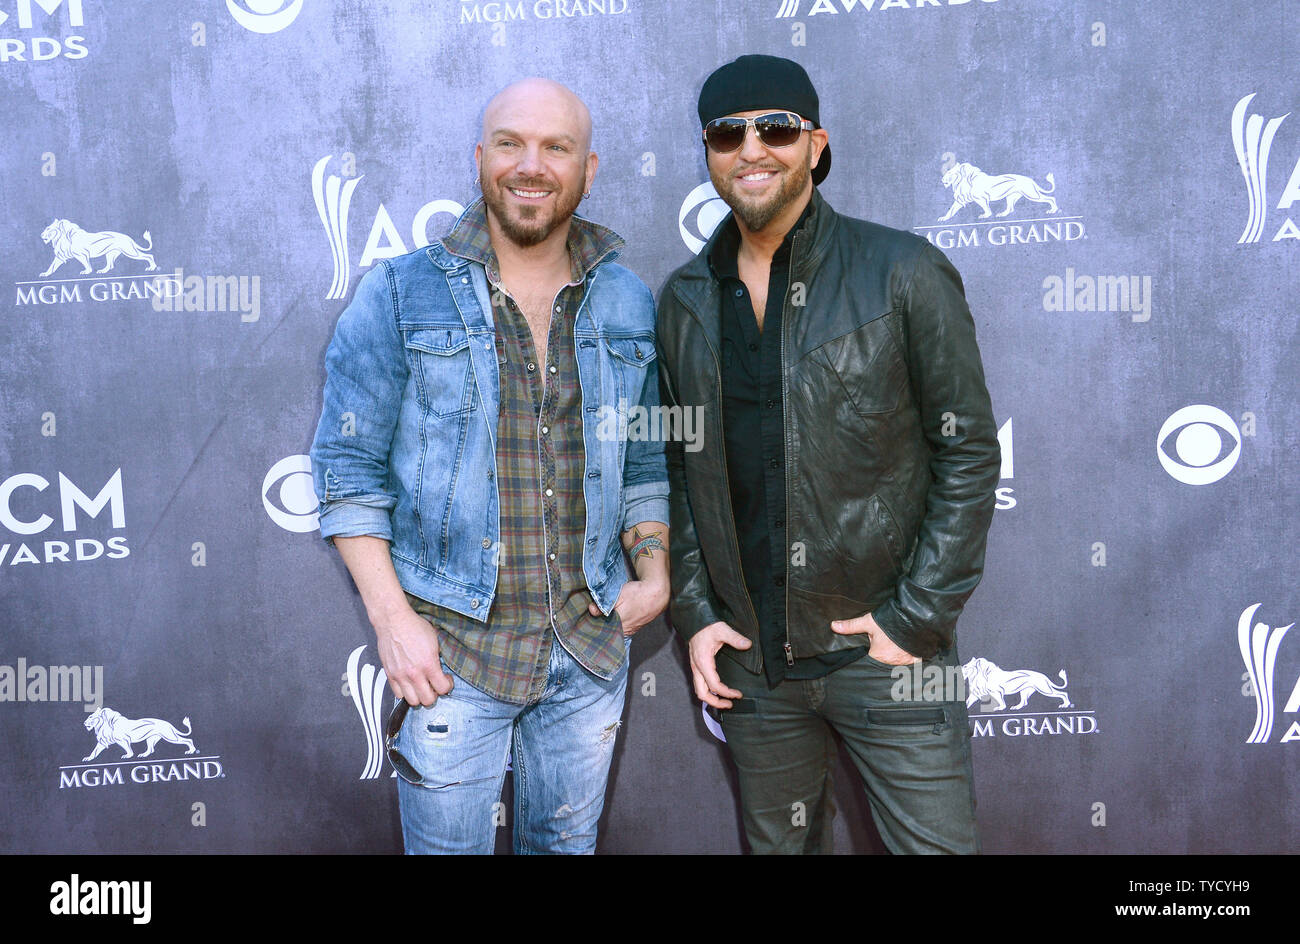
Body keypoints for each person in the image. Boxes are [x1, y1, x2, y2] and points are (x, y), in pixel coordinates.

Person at [310, 77, 669, 855]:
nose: (530, 165)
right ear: (480, 157)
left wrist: (655, 569)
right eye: (510, 143)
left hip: (589, 648)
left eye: (555, 147)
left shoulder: (627, 300)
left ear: (589, 167)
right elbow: (345, 471)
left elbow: (644, 455)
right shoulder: (400, 295)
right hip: (451, 656)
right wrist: (393, 623)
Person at [656, 55, 1000, 854]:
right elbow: (675, 472)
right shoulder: (683, 299)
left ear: (816, 144)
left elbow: (969, 453)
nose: (752, 149)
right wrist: (699, 615)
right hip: (754, 673)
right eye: (726, 132)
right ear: (706, 151)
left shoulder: (902, 271)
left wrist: (914, 618)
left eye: (775, 128)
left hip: (888, 656)